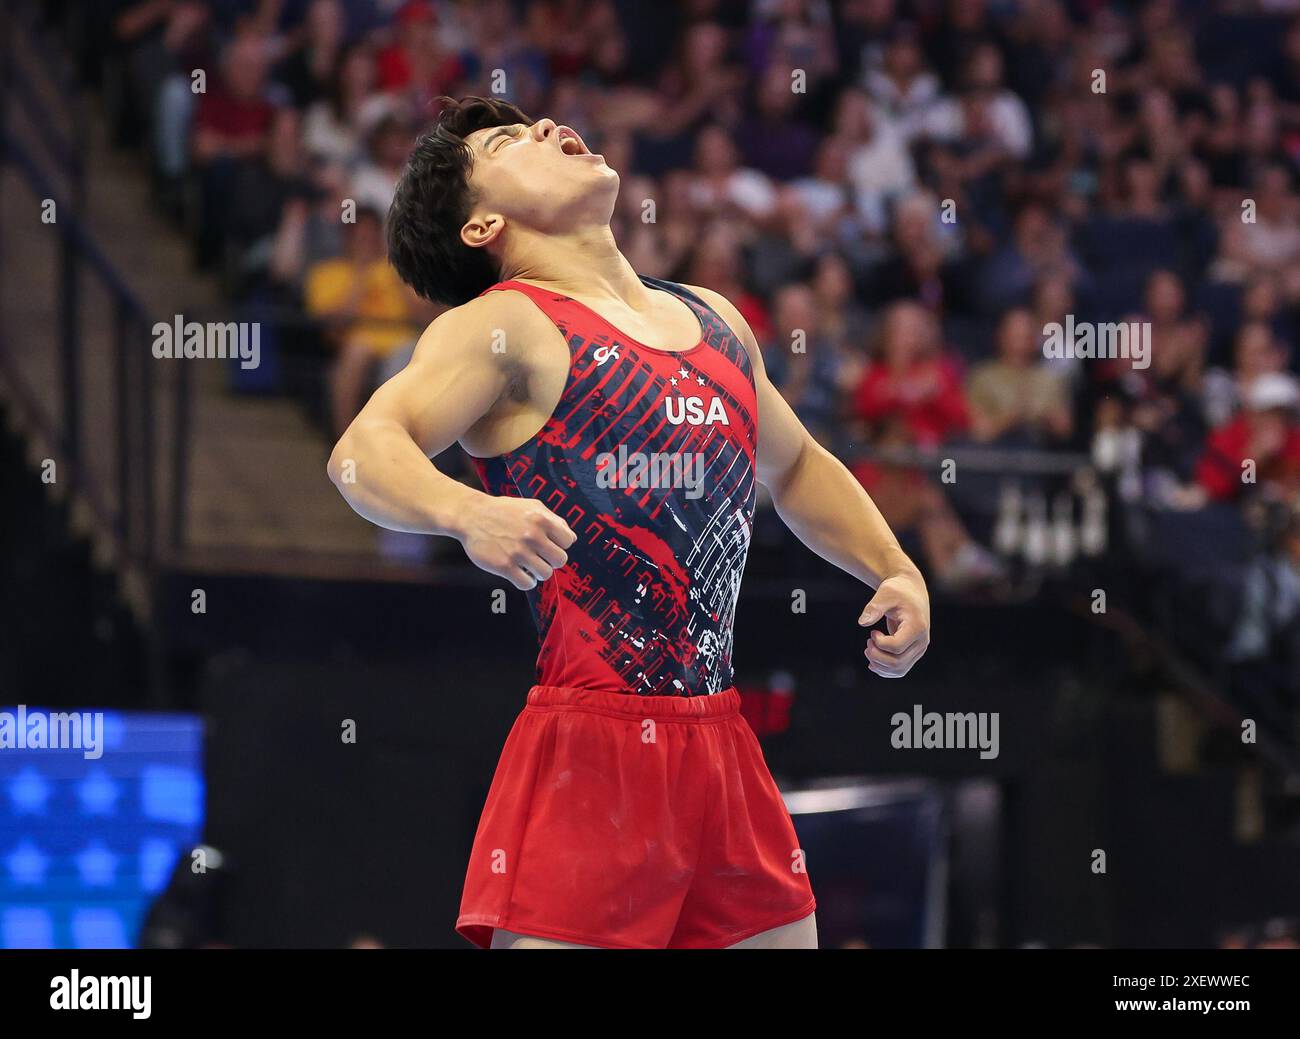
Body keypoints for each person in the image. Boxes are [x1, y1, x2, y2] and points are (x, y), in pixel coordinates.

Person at [327, 96, 931, 950]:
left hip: (723, 744)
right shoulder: (504, 326)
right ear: (482, 226)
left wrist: (894, 567)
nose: (543, 128)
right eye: (506, 143)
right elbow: (361, 451)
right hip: (592, 752)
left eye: (533, 121)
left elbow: (795, 465)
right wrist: (465, 512)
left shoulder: (718, 319)